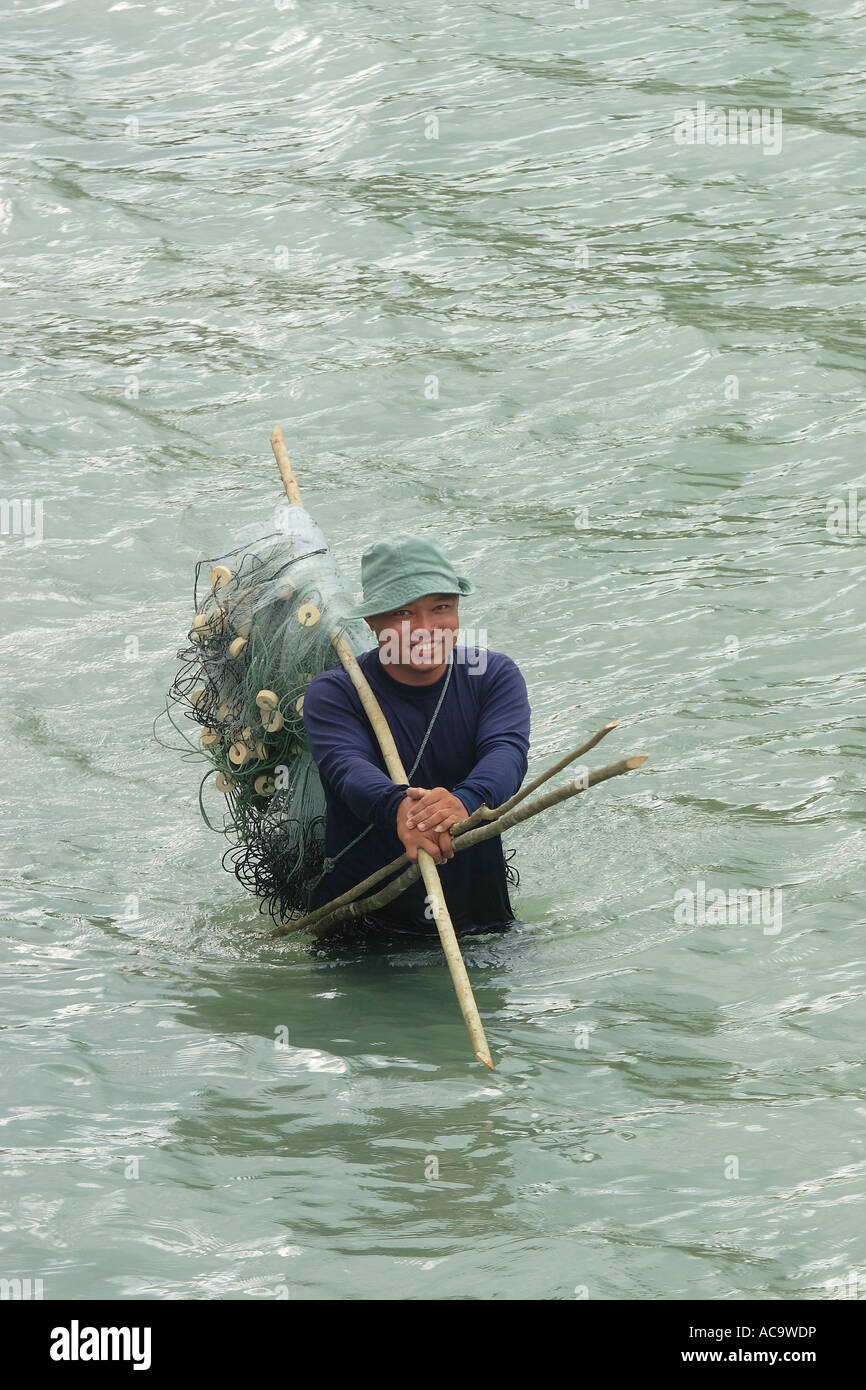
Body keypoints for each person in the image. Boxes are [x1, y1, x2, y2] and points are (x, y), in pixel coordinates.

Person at [302, 534, 531, 936]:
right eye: (403, 614)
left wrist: (464, 802)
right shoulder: (335, 692)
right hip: (363, 924)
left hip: (482, 917)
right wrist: (398, 810)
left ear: (458, 609)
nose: (426, 628)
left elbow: (507, 754)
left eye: (441, 607)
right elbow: (347, 767)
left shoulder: (493, 675)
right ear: (373, 622)